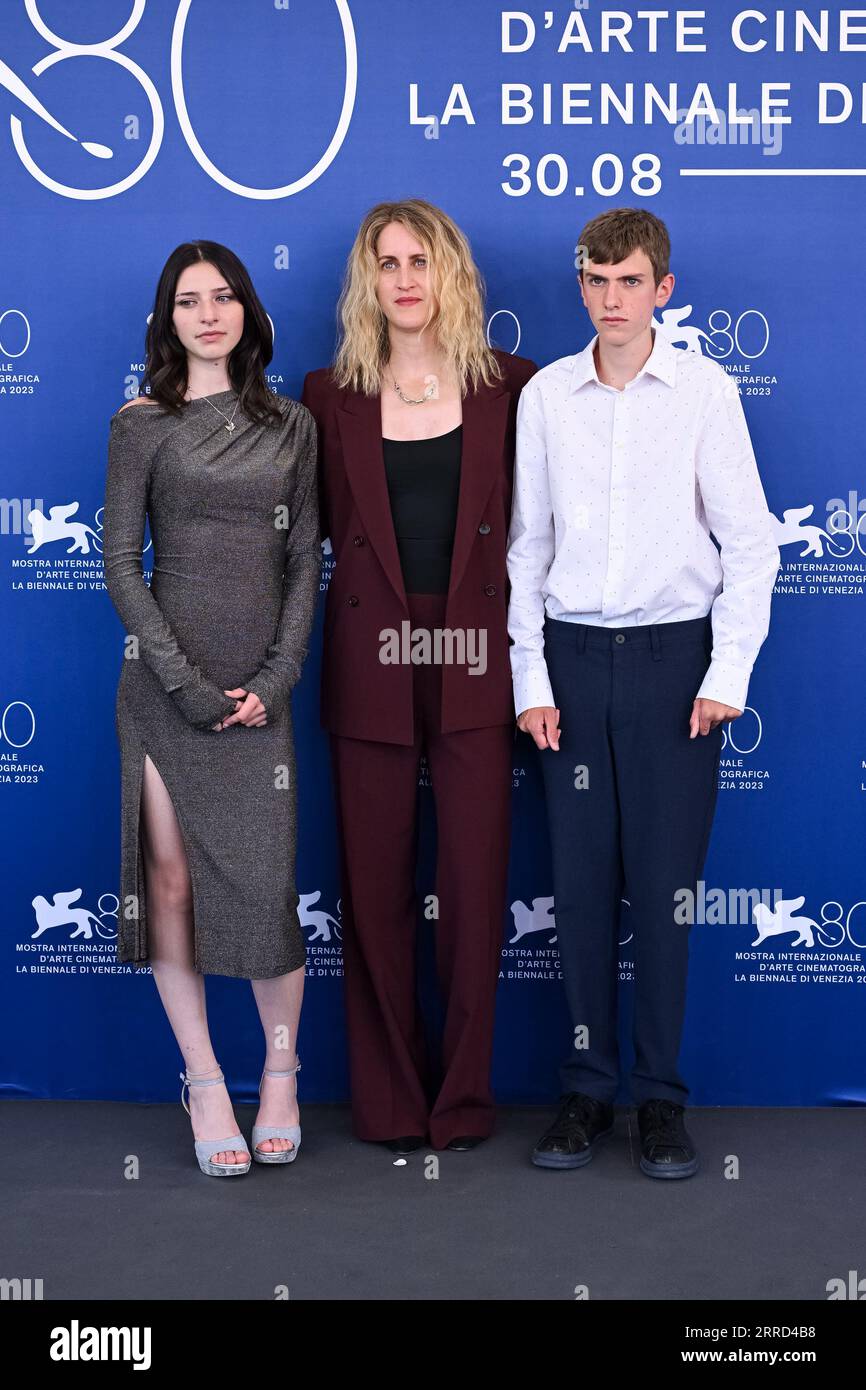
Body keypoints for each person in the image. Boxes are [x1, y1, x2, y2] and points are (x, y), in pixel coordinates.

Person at [506, 207, 780, 1178]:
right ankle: (584, 1090)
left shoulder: (703, 392)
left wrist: (725, 671)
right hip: (573, 665)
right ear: (578, 286)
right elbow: (527, 547)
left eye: (628, 281)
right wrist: (529, 678)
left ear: (662, 288)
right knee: (578, 896)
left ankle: (658, 1101)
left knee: (664, 897)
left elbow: (748, 541)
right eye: (595, 280)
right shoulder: (545, 396)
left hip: (676, 669)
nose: (610, 298)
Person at [302, 199, 536, 1152]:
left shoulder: (513, 388)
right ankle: (393, 1102)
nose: (405, 279)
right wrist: (162, 402)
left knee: (475, 893)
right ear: (367, 282)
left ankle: (463, 1104)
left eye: (422, 261)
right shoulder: (328, 395)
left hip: (478, 656)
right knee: (375, 889)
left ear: (452, 276)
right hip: (373, 660)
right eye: (388, 263)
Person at [103, 241, 320, 1177]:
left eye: (224, 296)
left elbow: (305, 559)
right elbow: (120, 562)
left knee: (267, 888)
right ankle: (202, 1080)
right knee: (173, 887)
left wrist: (272, 681)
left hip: (259, 694)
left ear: (248, 312)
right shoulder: (141, 425)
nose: (208, 314)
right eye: (188, 301)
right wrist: (187, 685)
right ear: (167, 319)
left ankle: (280, 1076)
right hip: (164, 693)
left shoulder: (294, 427)